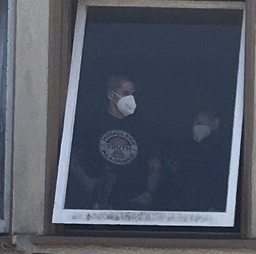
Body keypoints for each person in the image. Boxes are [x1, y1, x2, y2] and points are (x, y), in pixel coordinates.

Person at [67, 71, 162, 211]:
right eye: (125, 93)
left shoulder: (142, 127)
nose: (130, 98)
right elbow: (73, 160)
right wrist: (87, 183)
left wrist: (148, 194)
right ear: (111, 95)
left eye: (133, 93)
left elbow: (155, 165)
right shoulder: (92, 123)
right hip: (98, 204)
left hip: (132, 203)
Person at [167, 107, 235, 213]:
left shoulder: (223, 147)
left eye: (201, 123)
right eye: (195, 124)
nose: (196, 127)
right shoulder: (190, 147)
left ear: (215, 123)